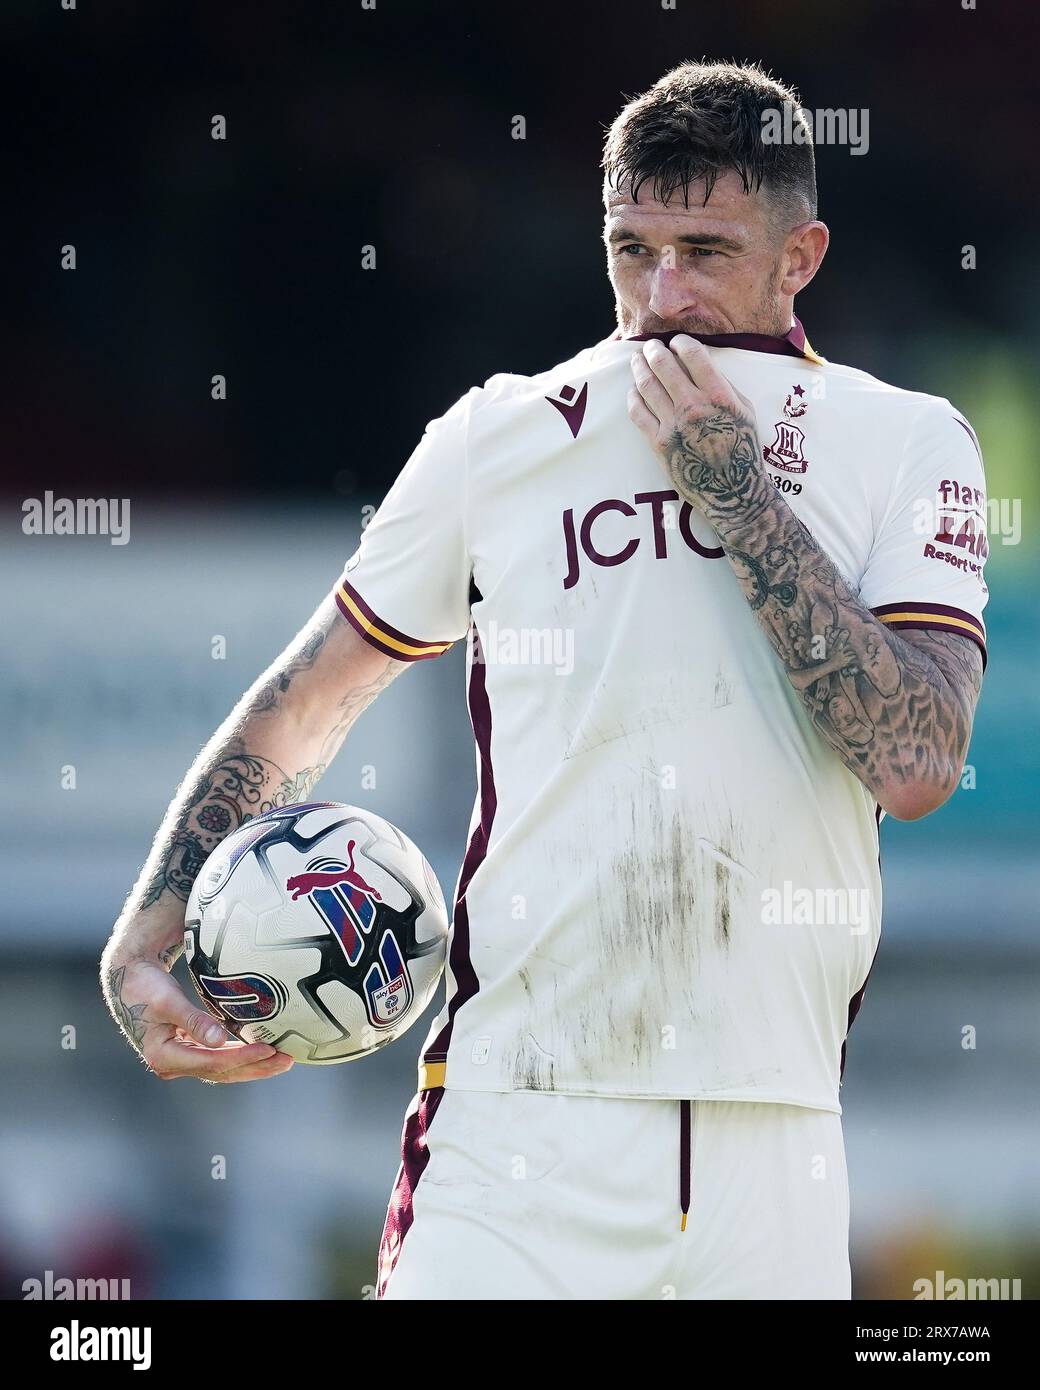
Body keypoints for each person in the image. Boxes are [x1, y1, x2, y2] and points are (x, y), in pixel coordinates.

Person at [102, 60, 988, 1300]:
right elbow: (308, 699)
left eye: (704, 248)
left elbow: (914, 762)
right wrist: (148, 933)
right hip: (523, 1117)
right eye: (631, 249)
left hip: (775, 1134)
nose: (662, 294)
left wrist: (734, 490)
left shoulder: (904, 439)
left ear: (800, 256)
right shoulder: (499, 436)